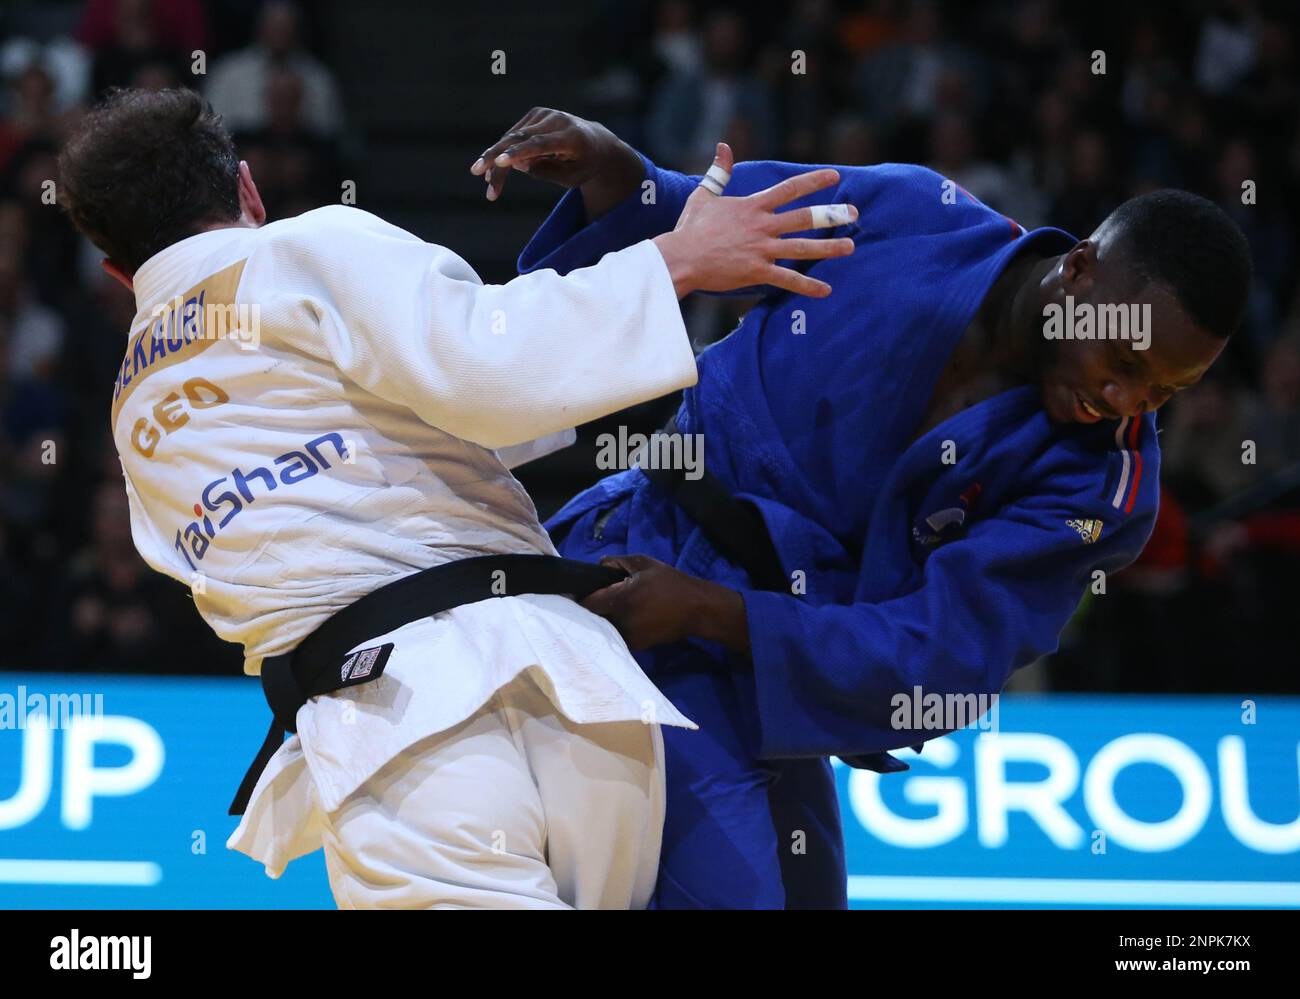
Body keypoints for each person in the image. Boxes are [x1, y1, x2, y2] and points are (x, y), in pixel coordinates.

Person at [55, 88, 857, 909]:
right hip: (581, 702)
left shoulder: (135, 410)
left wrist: (674, 260)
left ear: (119, 272)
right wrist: (671, 262)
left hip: (405, 735)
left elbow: (479, 385)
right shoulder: (307, 245)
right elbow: (490, 380)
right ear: (249, 190)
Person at [473, 107, 1253, 908]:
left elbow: (933, 654)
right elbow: (702, 223)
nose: (1126, 399)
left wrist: (712, 613)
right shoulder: (918, 217)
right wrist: (613, 172)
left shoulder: (1101, 483)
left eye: (1167, 390)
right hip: (639, 561)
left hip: (768, 658)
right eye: (1123, 358)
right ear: (1082, 270)